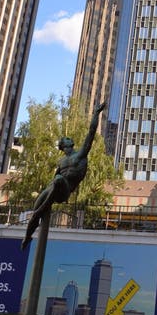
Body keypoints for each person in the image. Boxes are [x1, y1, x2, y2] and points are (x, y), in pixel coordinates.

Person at [21, 102, 106, 249]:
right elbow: (55, 177)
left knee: (58, 181)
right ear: (63, 145)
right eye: (66, 138)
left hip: (65, 191)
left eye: (68, 138)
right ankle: (27, 237)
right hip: (54, 187)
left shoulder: (79, 155)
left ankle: (41, 210)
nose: (69, 138)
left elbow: (91, 133)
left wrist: (96, 113)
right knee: (36, 208)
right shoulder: (62, 161)